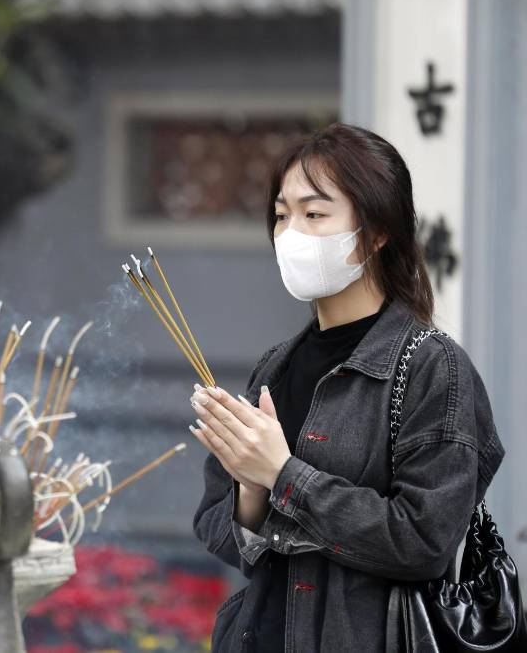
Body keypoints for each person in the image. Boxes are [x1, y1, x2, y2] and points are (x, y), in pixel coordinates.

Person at [188, 123, 506, 652]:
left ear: (377, 230)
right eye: (282, 215)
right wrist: (250, 483)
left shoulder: (433, 367)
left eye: (314, 214)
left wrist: (282, 474)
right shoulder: (275, 366)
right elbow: (225, 539)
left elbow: (424, 541)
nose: (291, 233)